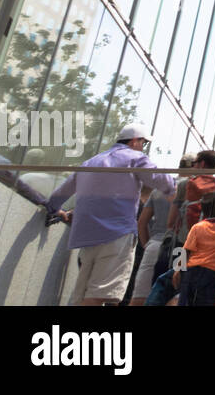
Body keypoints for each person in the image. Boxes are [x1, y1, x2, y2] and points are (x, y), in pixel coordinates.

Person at [46, 123, 175, 305]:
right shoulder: (135, 158)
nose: (143, 147)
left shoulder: (91, 162)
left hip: (86, 237)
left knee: (84, 294)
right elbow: (163, 181)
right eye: (143, 143)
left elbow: (61, 192)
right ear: (135, 141)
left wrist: (54, 209)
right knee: (98, 295)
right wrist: (175, 191)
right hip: (116, 236)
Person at [177, 192, 215, 306]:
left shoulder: (197, 227)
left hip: (190, 271)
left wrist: (177, 272)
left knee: (185, 301)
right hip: (210, 272)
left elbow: (185, 250)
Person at [129, 185, 174, 305]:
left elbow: (142, 223)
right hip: (181, 249)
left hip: (155, 245)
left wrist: (146, 245)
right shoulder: (194, 190)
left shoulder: (158, 191)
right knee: (175, 296)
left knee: (139, 297)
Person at [169, 150, 215, 244]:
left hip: (185, 240)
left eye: (194, 163)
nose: (193, 166)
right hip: (209, 242)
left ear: (202, 164)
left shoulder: (185, 184)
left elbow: (171, 221)